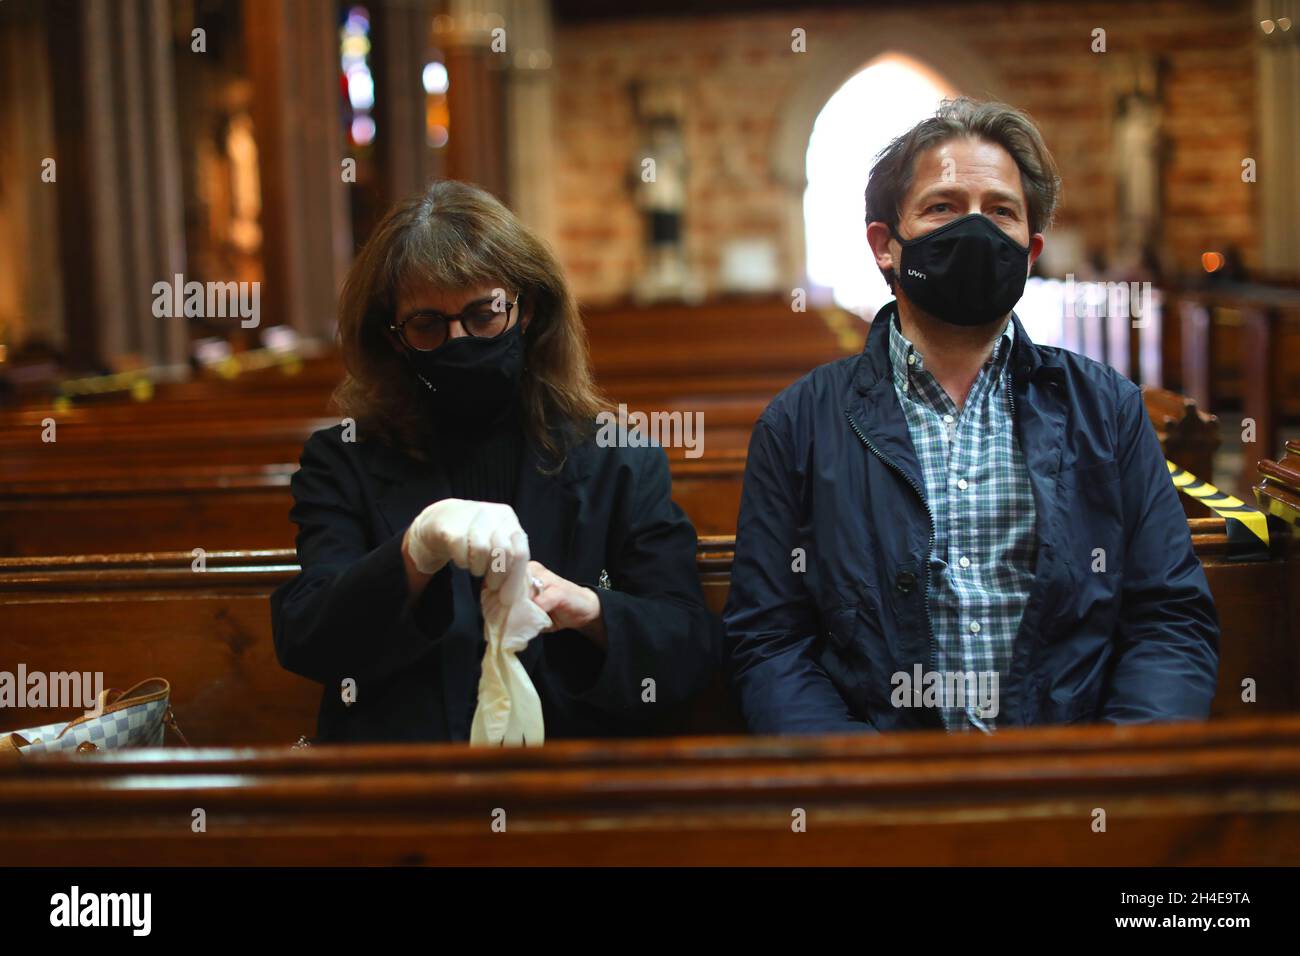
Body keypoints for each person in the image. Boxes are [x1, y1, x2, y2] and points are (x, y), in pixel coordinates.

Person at [725, 97, 1218, 735]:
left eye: (1001, 211)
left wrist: (1113, 775)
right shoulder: (798, 424)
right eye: (943, 207)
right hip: (879, 797)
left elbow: (1168, 620)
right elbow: (769, 641)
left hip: (1075, 789)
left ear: (1030, 249)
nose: (976, 229)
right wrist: (860, 783)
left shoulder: (1109, 410)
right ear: (884, 245)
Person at [271, 180, 722, 743]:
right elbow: (309, 638)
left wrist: (588, 608)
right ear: (394, 338)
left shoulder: (618, 458)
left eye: (484, 314)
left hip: (569, 785)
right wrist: (412, 554)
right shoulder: (344, 462)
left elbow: (687, 646)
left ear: (527, 309)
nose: (460, 340)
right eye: (428, 326)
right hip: (404, 787)